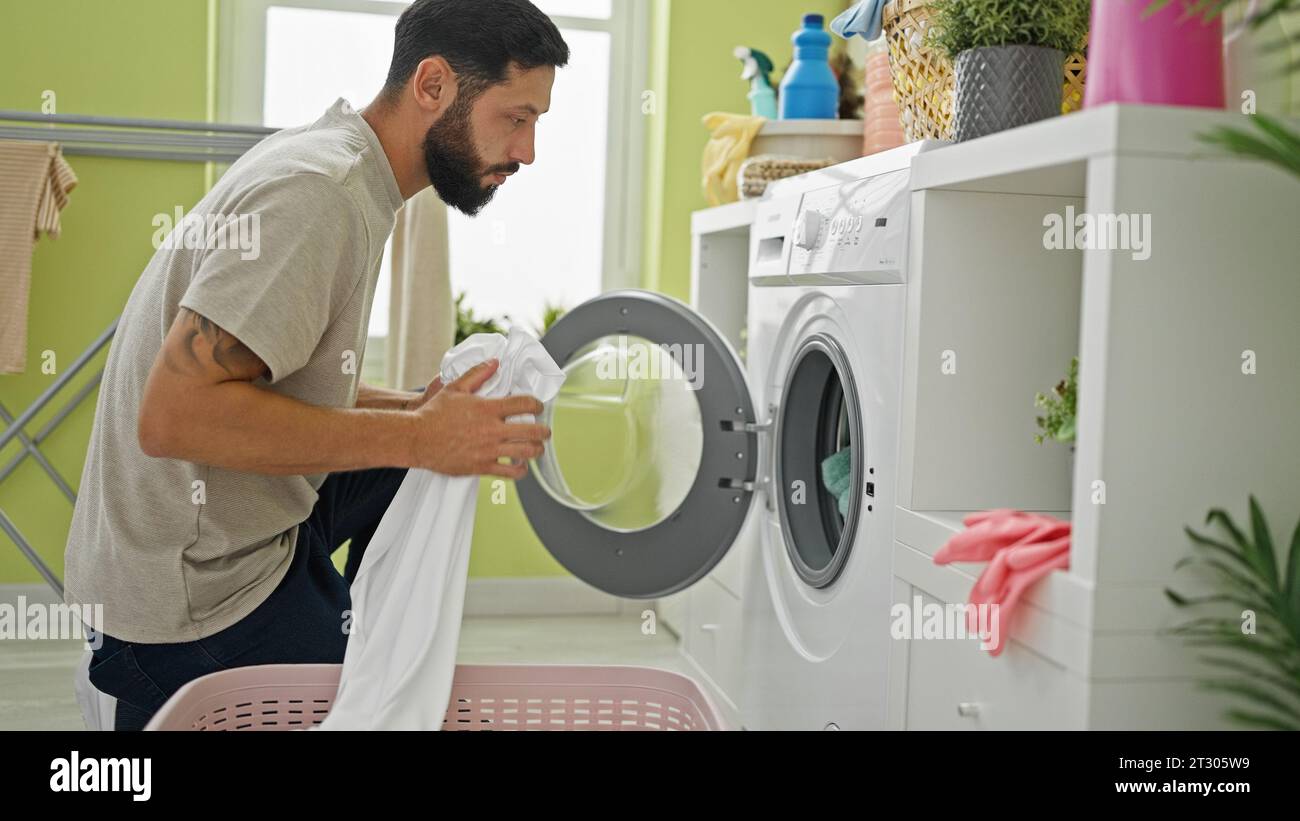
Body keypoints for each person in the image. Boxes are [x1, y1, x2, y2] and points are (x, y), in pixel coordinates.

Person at [63, 0, 570, 730]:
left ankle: (334, 613)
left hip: (222, 531)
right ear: (433, 86)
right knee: (379, 702)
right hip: (185, 601)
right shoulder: (318, 196)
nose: (527, 152)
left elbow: (284, 378)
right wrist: (422, 435)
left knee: (414, 468)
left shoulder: (348, 168)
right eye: (515, 117)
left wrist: (423, 413)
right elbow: (175, 414)